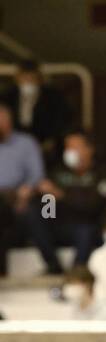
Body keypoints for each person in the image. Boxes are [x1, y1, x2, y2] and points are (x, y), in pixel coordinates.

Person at [22, 130, 105, 274]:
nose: (70, 152)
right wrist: (47, 197)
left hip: (87, 226)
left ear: (89, 149)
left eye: (75, 147)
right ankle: (53, 266)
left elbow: (94, 206)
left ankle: (77, 272)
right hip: (60, 225)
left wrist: (62, 196)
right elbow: (48, 211)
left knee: (85, 230)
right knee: (32, 215)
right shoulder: (58, 173)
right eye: (68, 147)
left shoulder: (101, 173)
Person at [0, 102, 44, 273]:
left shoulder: (26, 143)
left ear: (8, 121)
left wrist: (26, 192)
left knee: (47, 208)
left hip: (17, 196)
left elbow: (37, 175)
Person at [3, 61, 72, 163]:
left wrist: (49, 142)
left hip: (44, 148)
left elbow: (62, 121)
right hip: (12, 148)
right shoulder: (8, 97)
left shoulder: (53, 98)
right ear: (17, 79)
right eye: (24, 79)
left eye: (32, 79)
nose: (28, 83)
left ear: (39, 80)